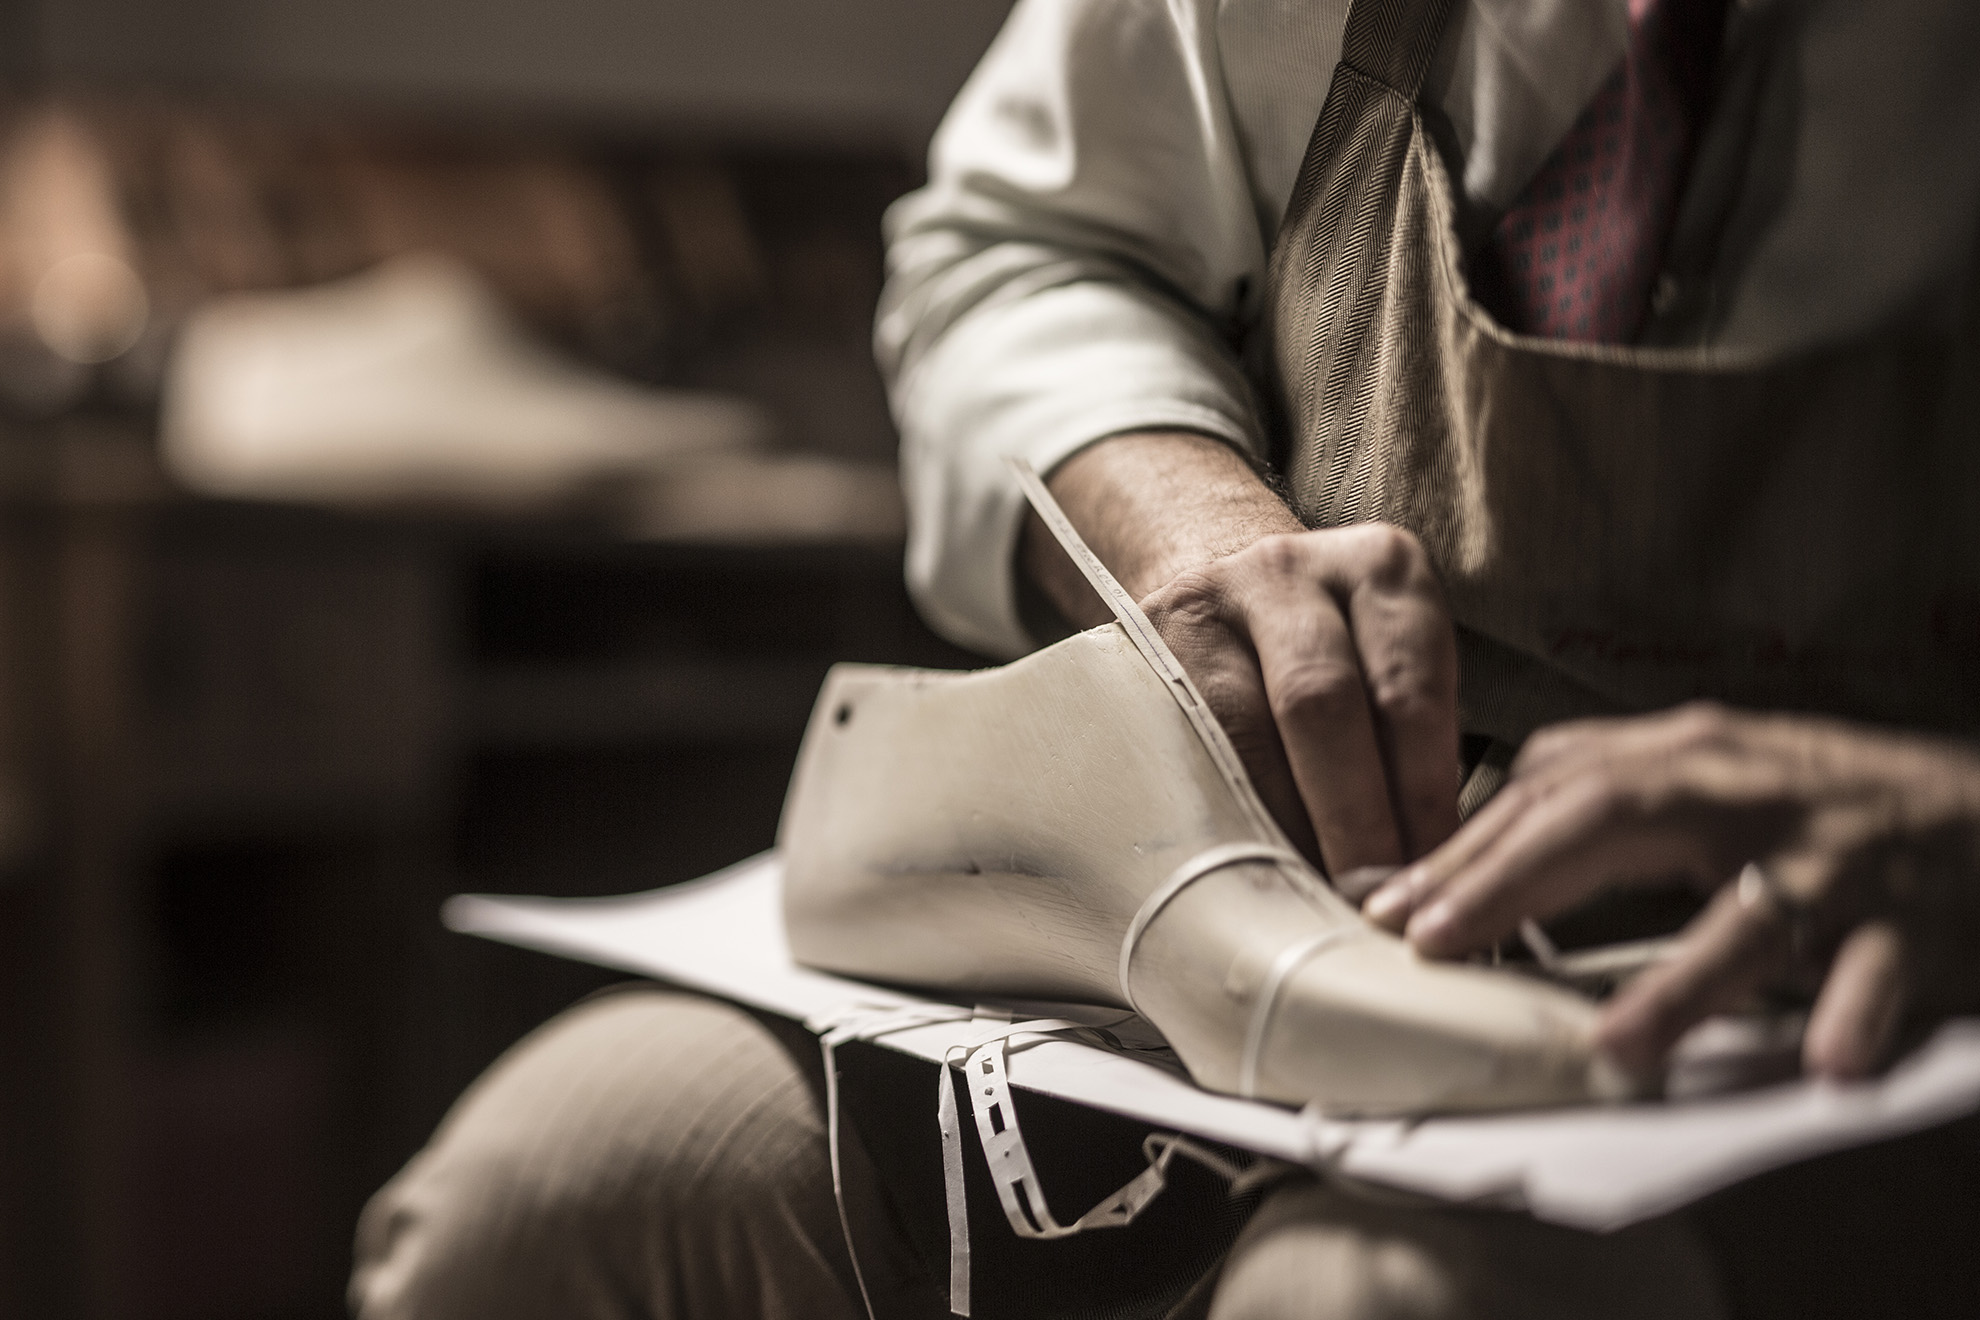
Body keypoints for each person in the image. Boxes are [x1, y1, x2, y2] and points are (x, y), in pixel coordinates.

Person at [349, 1, 1980, 1317]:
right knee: (552, 1194)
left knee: (1375, 1303)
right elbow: (1023, 245)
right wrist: (1187, 529)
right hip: (1286, 896)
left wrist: (1941, 810)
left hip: (1870, 1000)